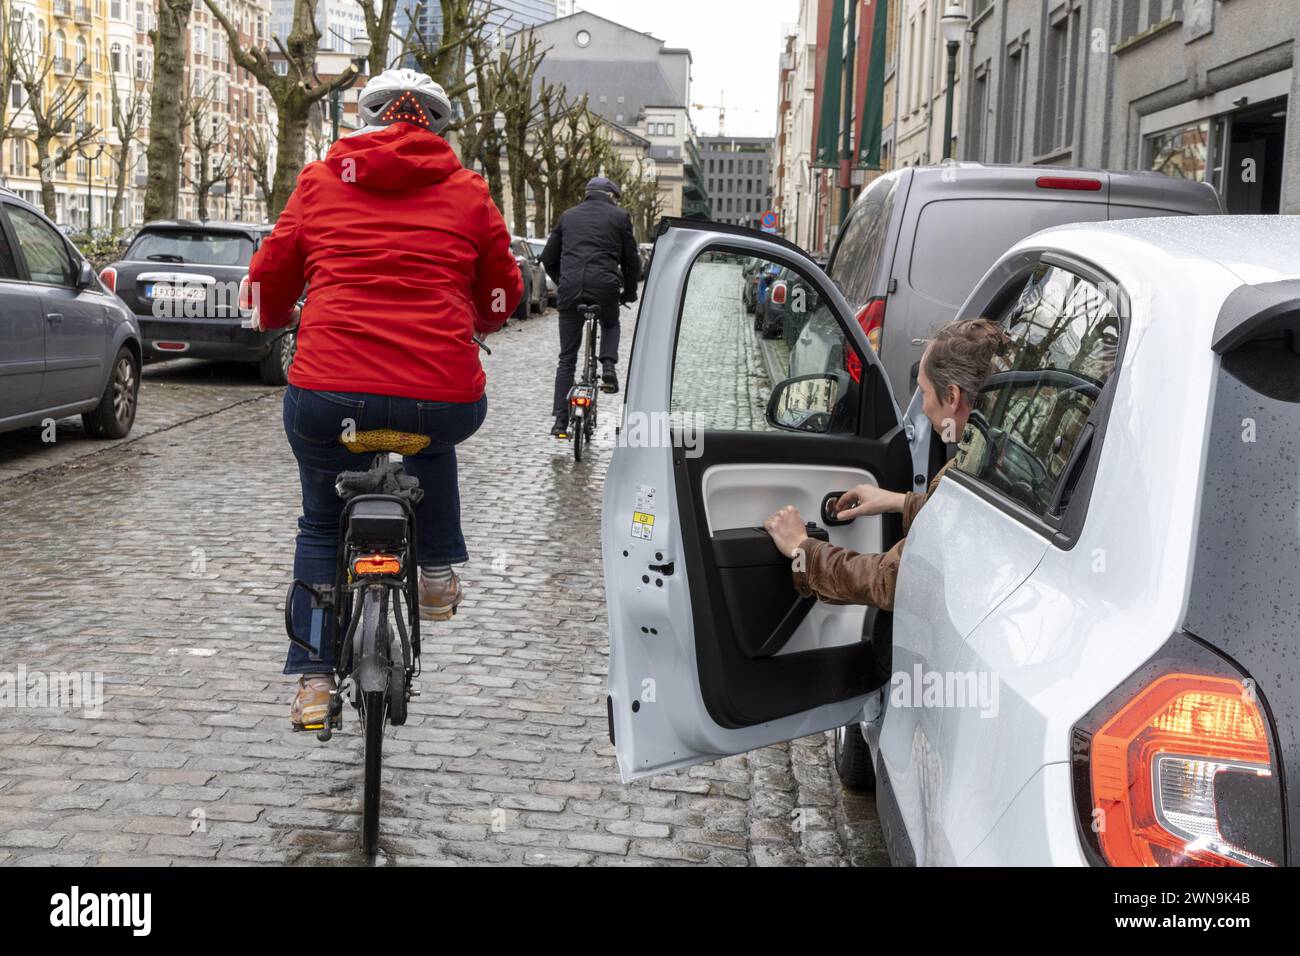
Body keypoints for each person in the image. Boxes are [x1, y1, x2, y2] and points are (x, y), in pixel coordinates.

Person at [246, 68, 523, 730]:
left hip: (327, 394)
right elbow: (503, 291)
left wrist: (275, 314)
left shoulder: (320, 181)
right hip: (439, 394)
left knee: (319, 522)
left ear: (360, 120)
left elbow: (268, 278)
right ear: (440, 127)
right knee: (431, 434)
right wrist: (475, 323)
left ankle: (313, 681)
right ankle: (432, 570)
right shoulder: (466, 190)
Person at [762, 318, 1008, 610]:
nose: (923, 407)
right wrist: (899, 502)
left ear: (952, 396)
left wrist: (802, 549)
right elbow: (952, 519)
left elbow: (893, 580)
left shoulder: (971, 475)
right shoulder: (996, 457)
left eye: (924, 393)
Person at [541, 176, 641, 438]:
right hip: (605, 288)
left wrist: (564, 280)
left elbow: (548, 257)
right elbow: (632, 262)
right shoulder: (620, 217)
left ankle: (560, 422)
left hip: (571, 289)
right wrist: (629, 293)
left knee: (567, 358)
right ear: (611, 196)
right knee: (610, 323)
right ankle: (608, 367)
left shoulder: (568, 216)